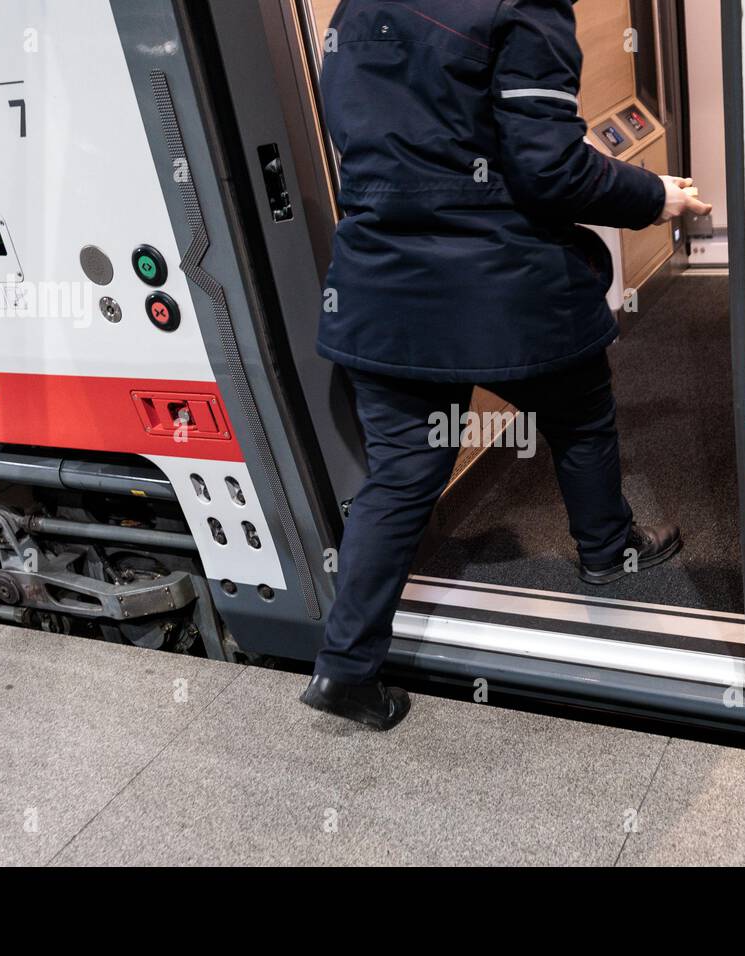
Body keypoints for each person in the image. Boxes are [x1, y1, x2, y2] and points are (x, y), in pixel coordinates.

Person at [300, 0, 712, 729]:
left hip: (381, 287)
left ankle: (343, 667)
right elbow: (549, 168)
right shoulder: (523, 6)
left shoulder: (354, 8)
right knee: (582, 417)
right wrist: (654, 196)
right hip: (501, 286)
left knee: (401, 473)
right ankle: (605, 549)